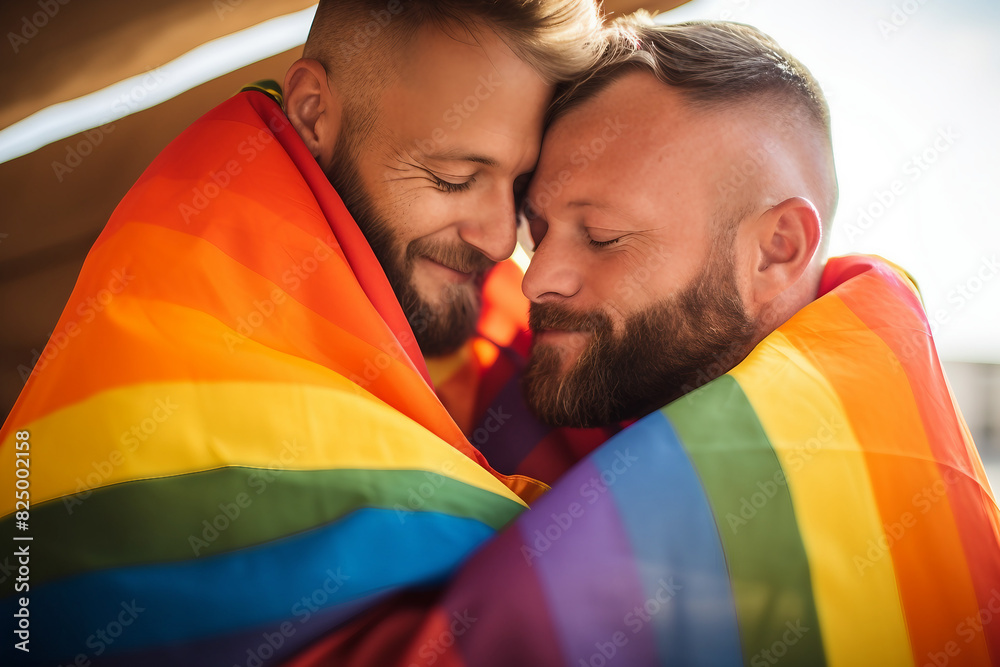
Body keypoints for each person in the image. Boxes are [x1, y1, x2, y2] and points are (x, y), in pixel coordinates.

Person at [290, 16, 1000, 666]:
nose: (536, 279)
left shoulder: (871, 504)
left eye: (603, 237)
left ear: (776, 249)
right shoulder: (540, 381)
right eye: (539, 230)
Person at [0, 2, 607, 665]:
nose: (497, 238)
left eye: (521, 187)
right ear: (314, 112)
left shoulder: (506, 320)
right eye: (453, 178)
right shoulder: (167, 351)